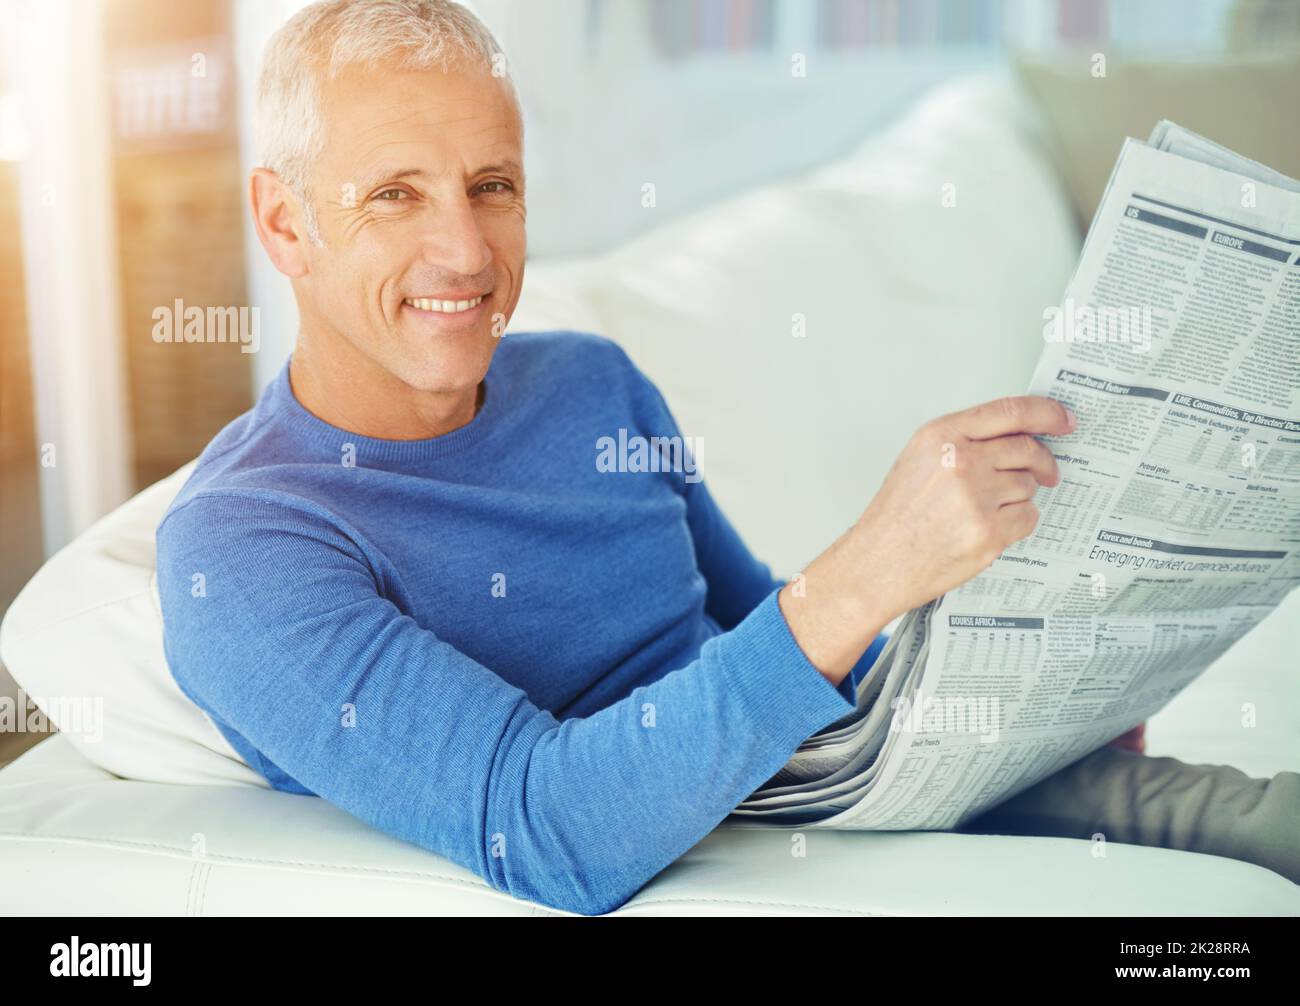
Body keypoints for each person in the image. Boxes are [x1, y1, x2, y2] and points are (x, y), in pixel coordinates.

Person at [155, 0, 1298, 916]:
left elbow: (766, 631)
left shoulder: (589, 381)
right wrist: (863, 570)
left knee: (1252, 817)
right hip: (731, 842)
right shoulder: (243, 549)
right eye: (395, 195)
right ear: (285, 222)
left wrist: (1044, 683)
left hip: (843, 784)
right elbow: (542, 827)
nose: (464, 248)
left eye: (491, 186)